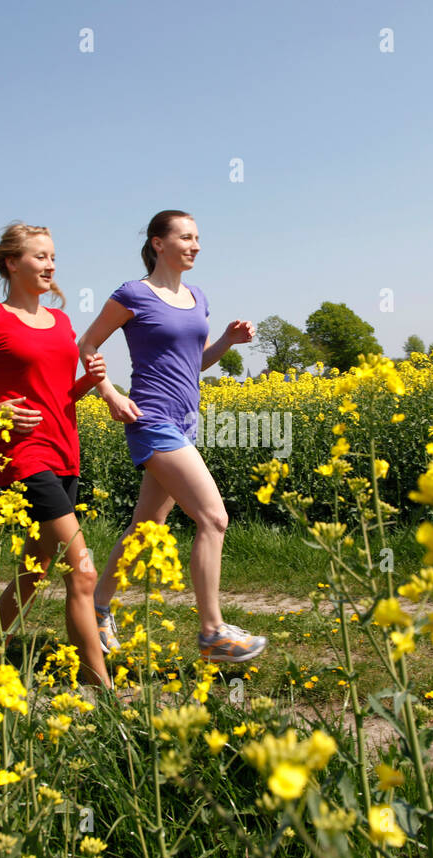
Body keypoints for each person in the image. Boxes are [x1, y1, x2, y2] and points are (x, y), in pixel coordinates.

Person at [78, 210, 268, 664]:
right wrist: (109, 393)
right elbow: (87, 345)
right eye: (186, 237)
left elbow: (193, 363)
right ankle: (212, 633)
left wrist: (226, 340)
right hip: (151, 419)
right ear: (158, 243)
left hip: (185, 422)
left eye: (198, 237)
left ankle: (96, 607)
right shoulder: (132, 295)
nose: (196, 245)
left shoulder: (198, 297)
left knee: (148, 527)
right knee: (213, 518)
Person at [0, 221, 112, 689]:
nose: (50, 264)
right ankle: (100, 691)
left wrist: (89, 382)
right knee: (82, 572)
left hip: (65, 452)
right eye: (39, 256)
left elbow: (58, 396)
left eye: (53, 257)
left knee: (36, 569)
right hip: (24, 457)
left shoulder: (62, 322)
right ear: (12, 263)